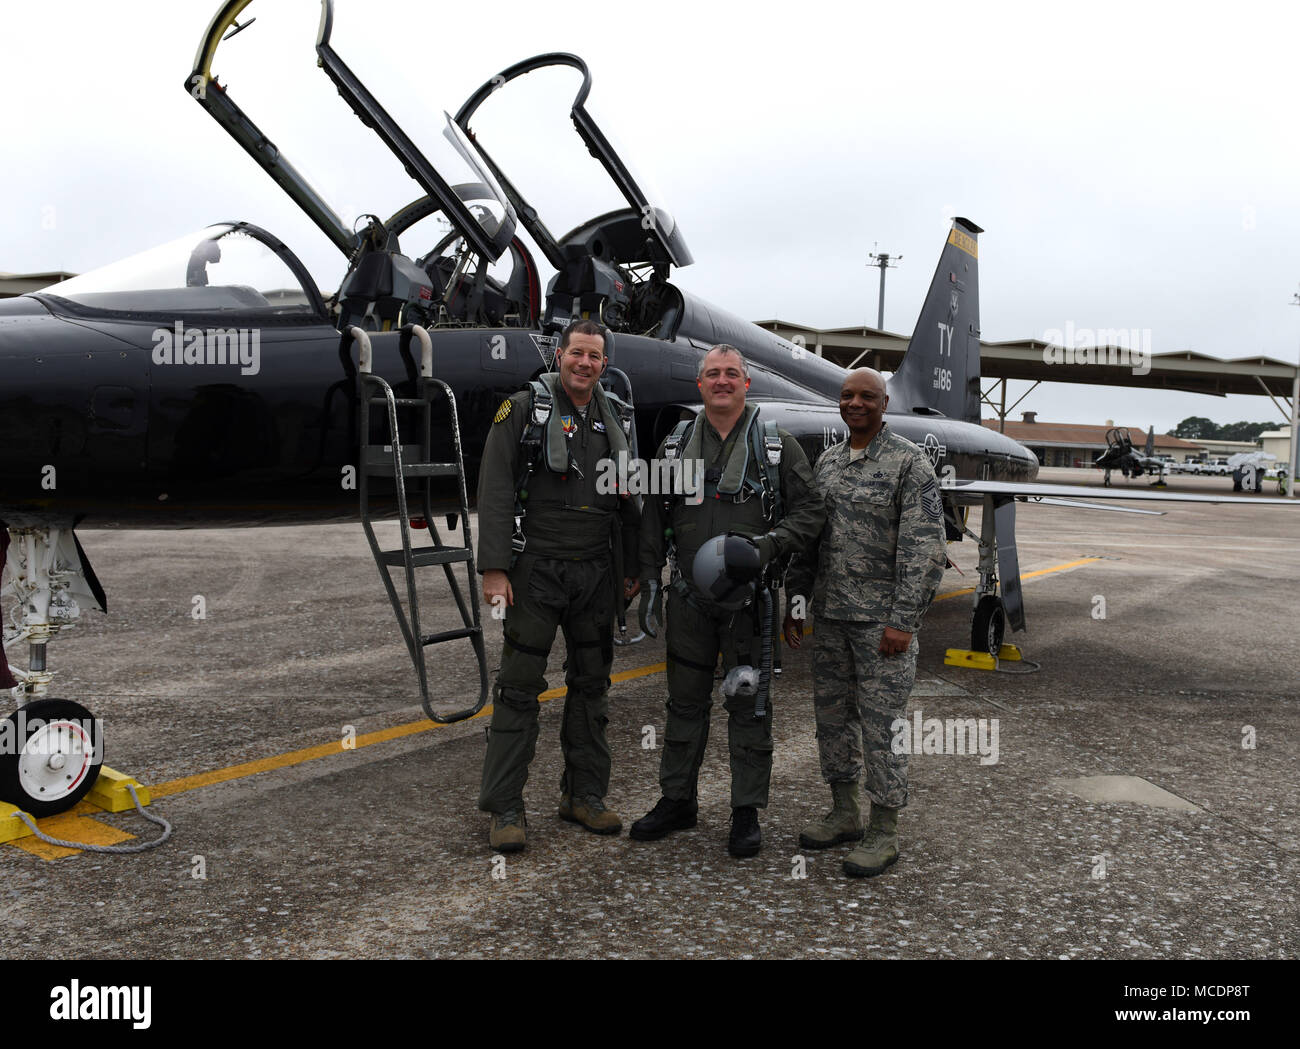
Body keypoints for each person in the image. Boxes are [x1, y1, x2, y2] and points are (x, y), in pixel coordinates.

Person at [631, 345, 824, 857]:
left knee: (748, 707)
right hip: (689, 601)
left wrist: (767, 547)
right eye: (712, 374)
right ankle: (677, 800)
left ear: (746, 383)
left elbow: (811, 514)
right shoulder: (674, 446)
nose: (721, 381)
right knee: (683, 706)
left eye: (731, 374)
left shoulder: (777, 446)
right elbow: (653, 514)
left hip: (749, 602)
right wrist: (649, 576)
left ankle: (745, 812)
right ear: (699, 385)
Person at [475, 319, 641, 852]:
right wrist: (495, 569)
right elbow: (496, 487)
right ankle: (505, 807)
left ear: (604, 363)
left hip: (596, 569)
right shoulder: (524, 408)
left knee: (592, 688)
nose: (585, 364)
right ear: (560, 355)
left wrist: (633, 566)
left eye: (595, 357)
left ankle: (583, 796)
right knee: (520, 688)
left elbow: (632, 493)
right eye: (577, 354)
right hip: (536, 569)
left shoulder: (616, 416)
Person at [784, 367, 947, 877]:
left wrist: (904, 621)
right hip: (831, 618)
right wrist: (796, 601)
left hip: (881, 626)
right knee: (832, 721)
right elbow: (808, 539)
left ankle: (884, 831)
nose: (856, 403)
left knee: (883, 729)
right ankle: (844, 812)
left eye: (867, 396)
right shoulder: (828, 463)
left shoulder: (909, 464)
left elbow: (924, 550)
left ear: (885, 402)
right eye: (848, 395)